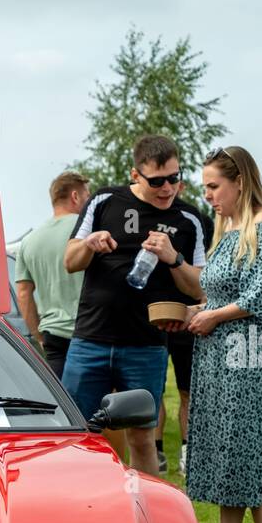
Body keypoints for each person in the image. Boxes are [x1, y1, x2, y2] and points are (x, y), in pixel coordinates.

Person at [63, 135, 208, 475]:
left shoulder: (190, 219)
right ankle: (77, 506)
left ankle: (144, 512)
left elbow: (200, 287)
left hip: (146, 345)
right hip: (91, 339)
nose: (167, 187)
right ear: (135, 175)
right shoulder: (104, 200)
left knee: (142, 438)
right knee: (77, 433)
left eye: (174, 177)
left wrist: (174, 258)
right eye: (156, 181)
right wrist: (90, 243)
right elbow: (70, 261)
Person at [182, 146, 262, 523]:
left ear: (239, 182)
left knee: (256, 448)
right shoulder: (230, 229)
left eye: (214, 186)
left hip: (249, 352)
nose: (208, 195)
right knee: (231, 448)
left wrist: (214, 315)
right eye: (205, 186)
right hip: (219, 354)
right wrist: (198, 309)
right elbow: (226, 291)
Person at [14, 170, 90, 377]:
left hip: (53, 335)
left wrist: (39, 334)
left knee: (63, 402)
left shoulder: (29, 241)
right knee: (102, 404)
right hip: (91, 332)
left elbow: (23, 293)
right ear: (75, 196)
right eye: (87, 196)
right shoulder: (89, 232)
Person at [159, 197, 215, 476]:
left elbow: (205, 274)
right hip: (155, 318)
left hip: (188, 318)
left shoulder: (197, 221)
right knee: (153, 392)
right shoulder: (150, 219)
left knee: (187, 391)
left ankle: (187, 452)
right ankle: (156, 451)